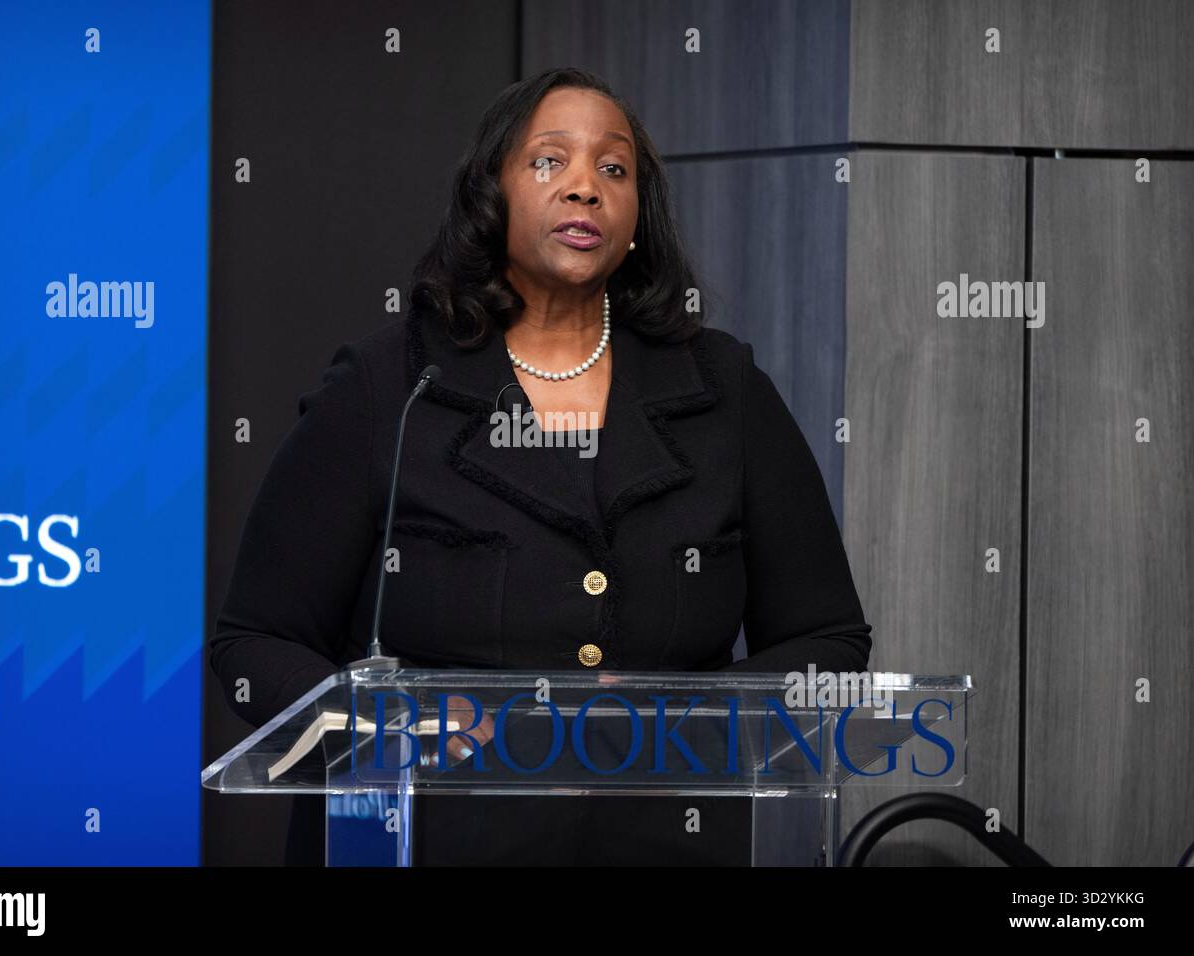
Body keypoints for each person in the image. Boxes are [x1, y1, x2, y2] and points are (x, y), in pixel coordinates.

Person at [210, 67, 872, 866]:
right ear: (491, 195)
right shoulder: (392, 386)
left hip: (665, 847)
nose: (586, 188)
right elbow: (255, 645)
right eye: (550, 161)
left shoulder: (723, 388)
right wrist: (400, 727)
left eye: (614, 169)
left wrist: (682, 718)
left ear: (637, 214)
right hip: (432, 845)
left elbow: (828, 640)